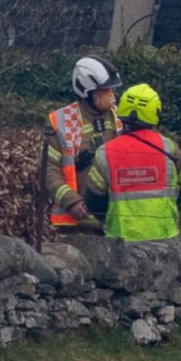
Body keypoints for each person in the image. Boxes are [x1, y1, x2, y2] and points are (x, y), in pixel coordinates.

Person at [82, 83, 181, 243]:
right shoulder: (169, 147)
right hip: (166, 241)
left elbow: (93, 201)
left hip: (121, 244)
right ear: (155, 112)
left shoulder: (105, 152)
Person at [41, 56, 121, 234]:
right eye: (105, 90)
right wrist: (71, 201)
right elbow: (48, 169)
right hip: (77, 226)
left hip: (115, 221)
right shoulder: (60, 121)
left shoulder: (120, 118)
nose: (111, 95)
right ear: (87, 91)